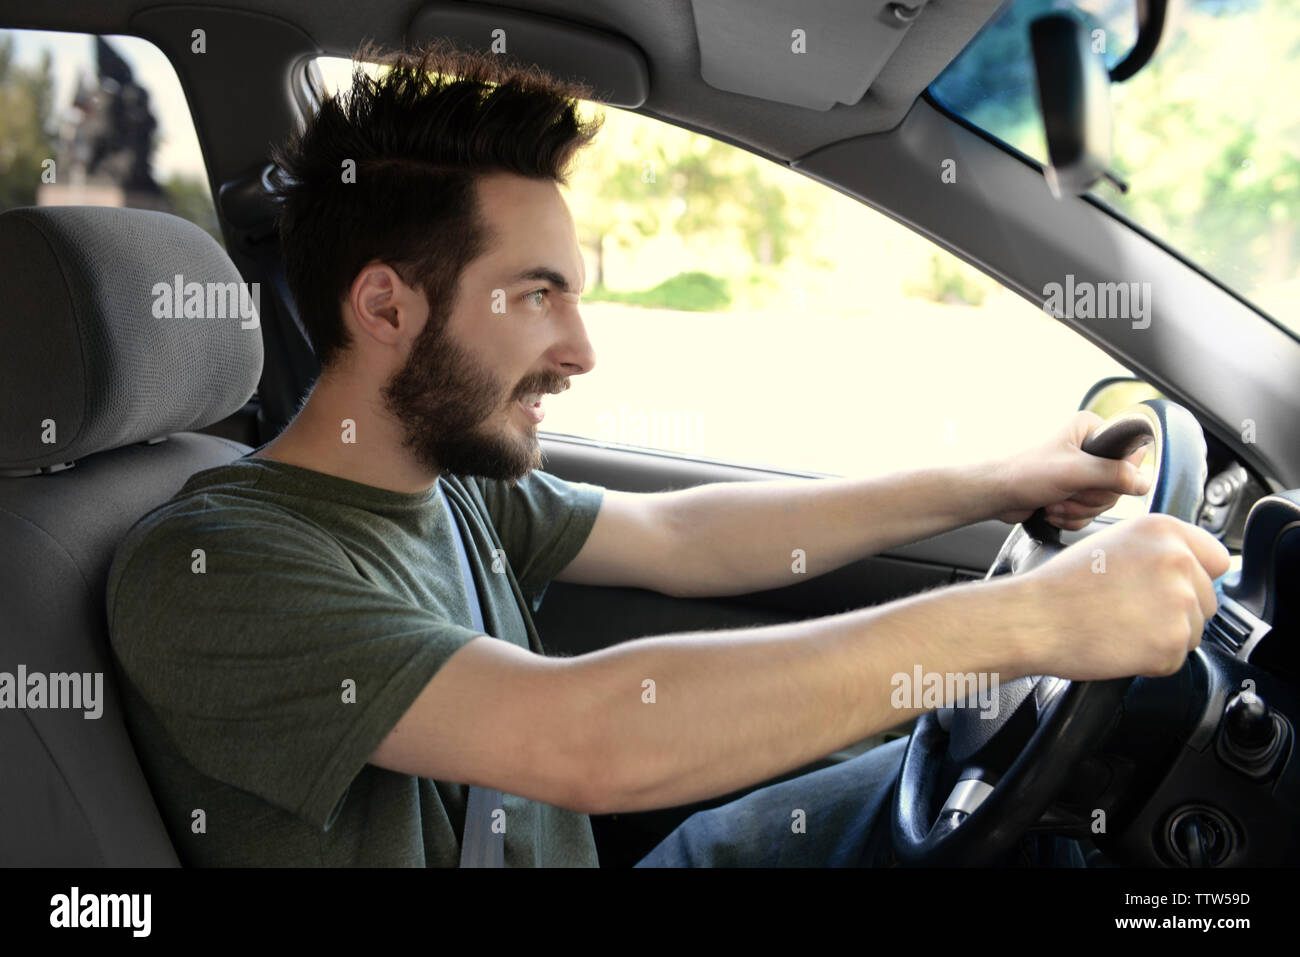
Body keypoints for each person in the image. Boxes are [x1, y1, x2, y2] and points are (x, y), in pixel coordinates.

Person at [106, 41, 1229, 867]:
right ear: (387, 307)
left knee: (974, 795)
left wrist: (996, 481)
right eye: (535, 295)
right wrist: (1034, 623)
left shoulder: (441, 486)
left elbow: (684, 533)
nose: (580, 349)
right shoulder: (211, 570)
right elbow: (584, 739)